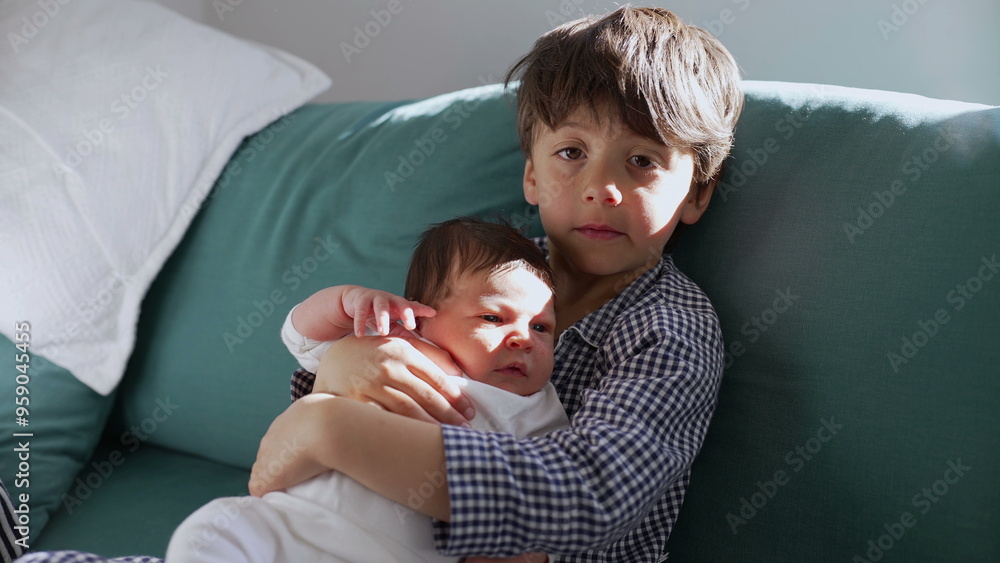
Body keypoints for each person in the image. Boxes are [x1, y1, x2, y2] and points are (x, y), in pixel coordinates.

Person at [250, 6, 743, 562]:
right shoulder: (487, 271)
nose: (601, 187)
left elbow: (590, 496)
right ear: (531, 175)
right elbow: (387, 377)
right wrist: (345, 369)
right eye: (572, 152)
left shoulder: (673, 330)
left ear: (698, 192)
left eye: (641, 160)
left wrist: (332, 430)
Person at [165, 218, 569, 562]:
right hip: (291, 522)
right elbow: (300, 336)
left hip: (390, 553)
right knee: (207, 532)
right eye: (493, 317)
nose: (523, 339)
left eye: (541, 327)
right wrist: (347, 302)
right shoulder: (392, 344)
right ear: (422, 317)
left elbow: (538, 491)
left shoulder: (534, 405)